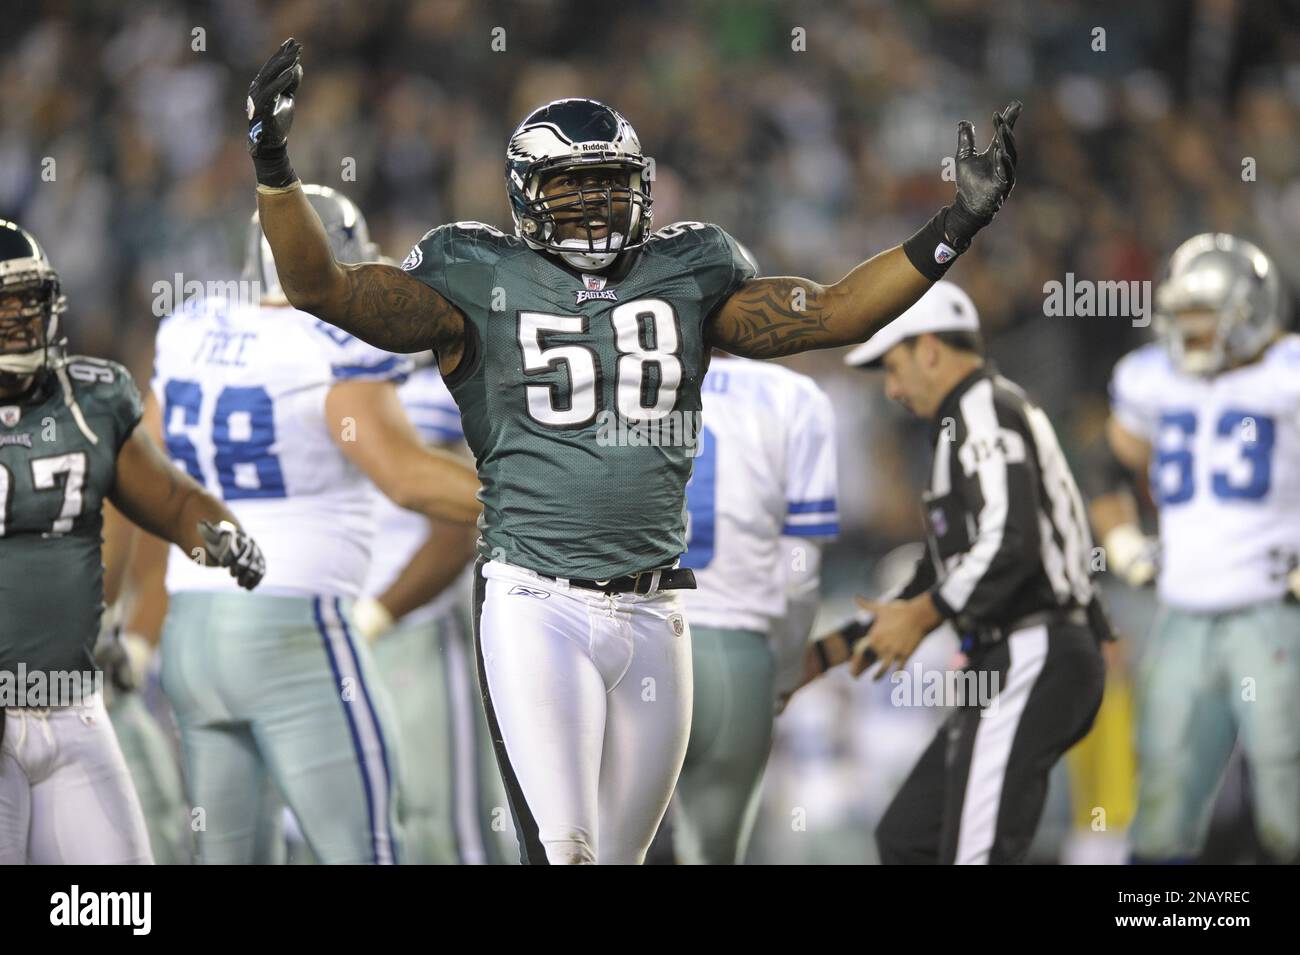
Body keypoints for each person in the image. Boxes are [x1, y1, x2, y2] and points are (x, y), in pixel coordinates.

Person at [242, 37, 1020, 864]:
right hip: (535, 597)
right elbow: (320, 287)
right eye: (571, 189)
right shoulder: (472, 271)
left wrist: (956, 225)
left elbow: (836, 312)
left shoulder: (688, 268)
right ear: (526, 194)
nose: (594, 208)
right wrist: (273, 166)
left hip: (657, 607)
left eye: (610, 186)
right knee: (566, 851)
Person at [142, 186, 481, 864]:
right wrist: (538, 494)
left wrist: (136, 629)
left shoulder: (190, 330)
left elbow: (146, 478)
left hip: (194, 631)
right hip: (294, 626)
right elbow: (405, 477)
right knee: (367, 848)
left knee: (230, 857)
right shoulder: (330, 341)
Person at [795, 281, 1108, 864]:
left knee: (975, 854)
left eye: (895, 367)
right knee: (908, 838)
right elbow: (938, 572)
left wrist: (923, 614)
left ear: (931, 349)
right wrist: (826, 655)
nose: (892, 389)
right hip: (1007, 655)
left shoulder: (983, 407)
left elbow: (1009, 541)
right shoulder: (964, 423)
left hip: (1035, 648)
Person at [0, 220, 265, 864]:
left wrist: (221, 535)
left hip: (74, 705)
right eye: (3, 305)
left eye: (28, 301)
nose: (21, 320)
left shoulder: (90, 401)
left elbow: (171, 500)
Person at [1091, 233, 1300, 864]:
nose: (1190, 330)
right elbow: (1106, 466)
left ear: (1249, 312)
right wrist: (1122, 539)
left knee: (1286, 786)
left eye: (1203, 315)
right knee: (1164, 785)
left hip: (1275, 610)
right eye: (1182, 315)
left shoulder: (1287, 375)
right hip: (1182, 613)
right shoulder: (1155, 380)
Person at [671, 353, 838, 864]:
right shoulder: (794, 396)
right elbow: (799, 574)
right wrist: (784, 673)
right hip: (736, 654)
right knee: (712, 854)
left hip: (634, 642)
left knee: (605, 845)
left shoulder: (615, 378)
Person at [353, 356, 516, 864]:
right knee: (360, 821)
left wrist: (375, 615)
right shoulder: (323, 381)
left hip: (414, 633)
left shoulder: (428, 394)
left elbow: (456, 534)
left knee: (440, 820)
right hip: (343, 635)